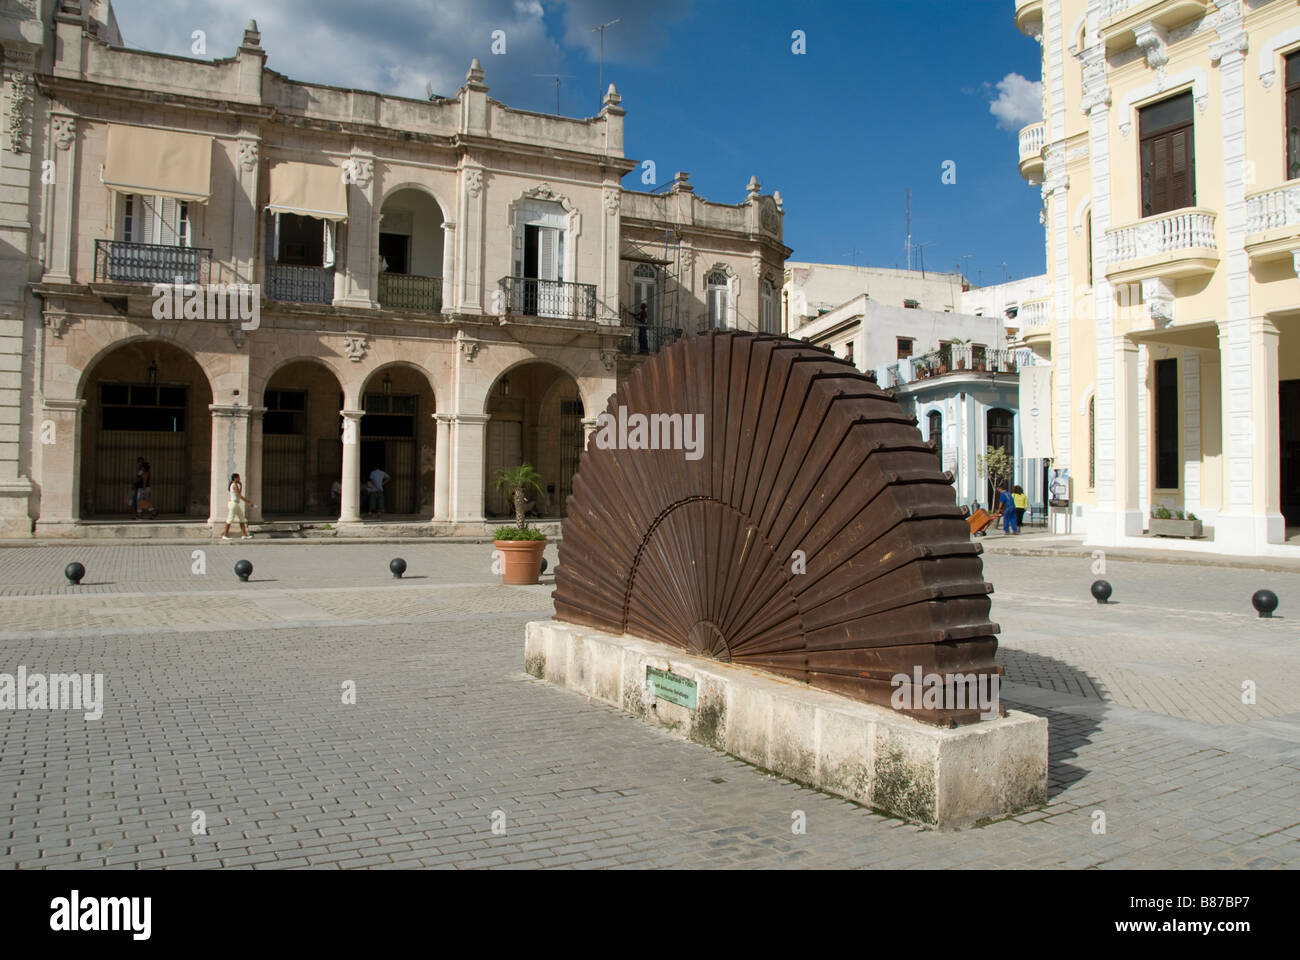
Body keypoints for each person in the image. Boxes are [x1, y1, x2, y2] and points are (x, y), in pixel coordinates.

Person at [221, 473, 253, 540]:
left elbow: (239, 494)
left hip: (236, 504)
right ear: (235, 478)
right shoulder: (234, 485)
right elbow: (239, 496)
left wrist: (241, 485)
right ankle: (224, 535)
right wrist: (248, 502)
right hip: (233, 504)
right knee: (229, 519)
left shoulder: (236, 485)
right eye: (238, 477)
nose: (239, 479)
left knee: (242, 519)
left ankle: (244, 535)